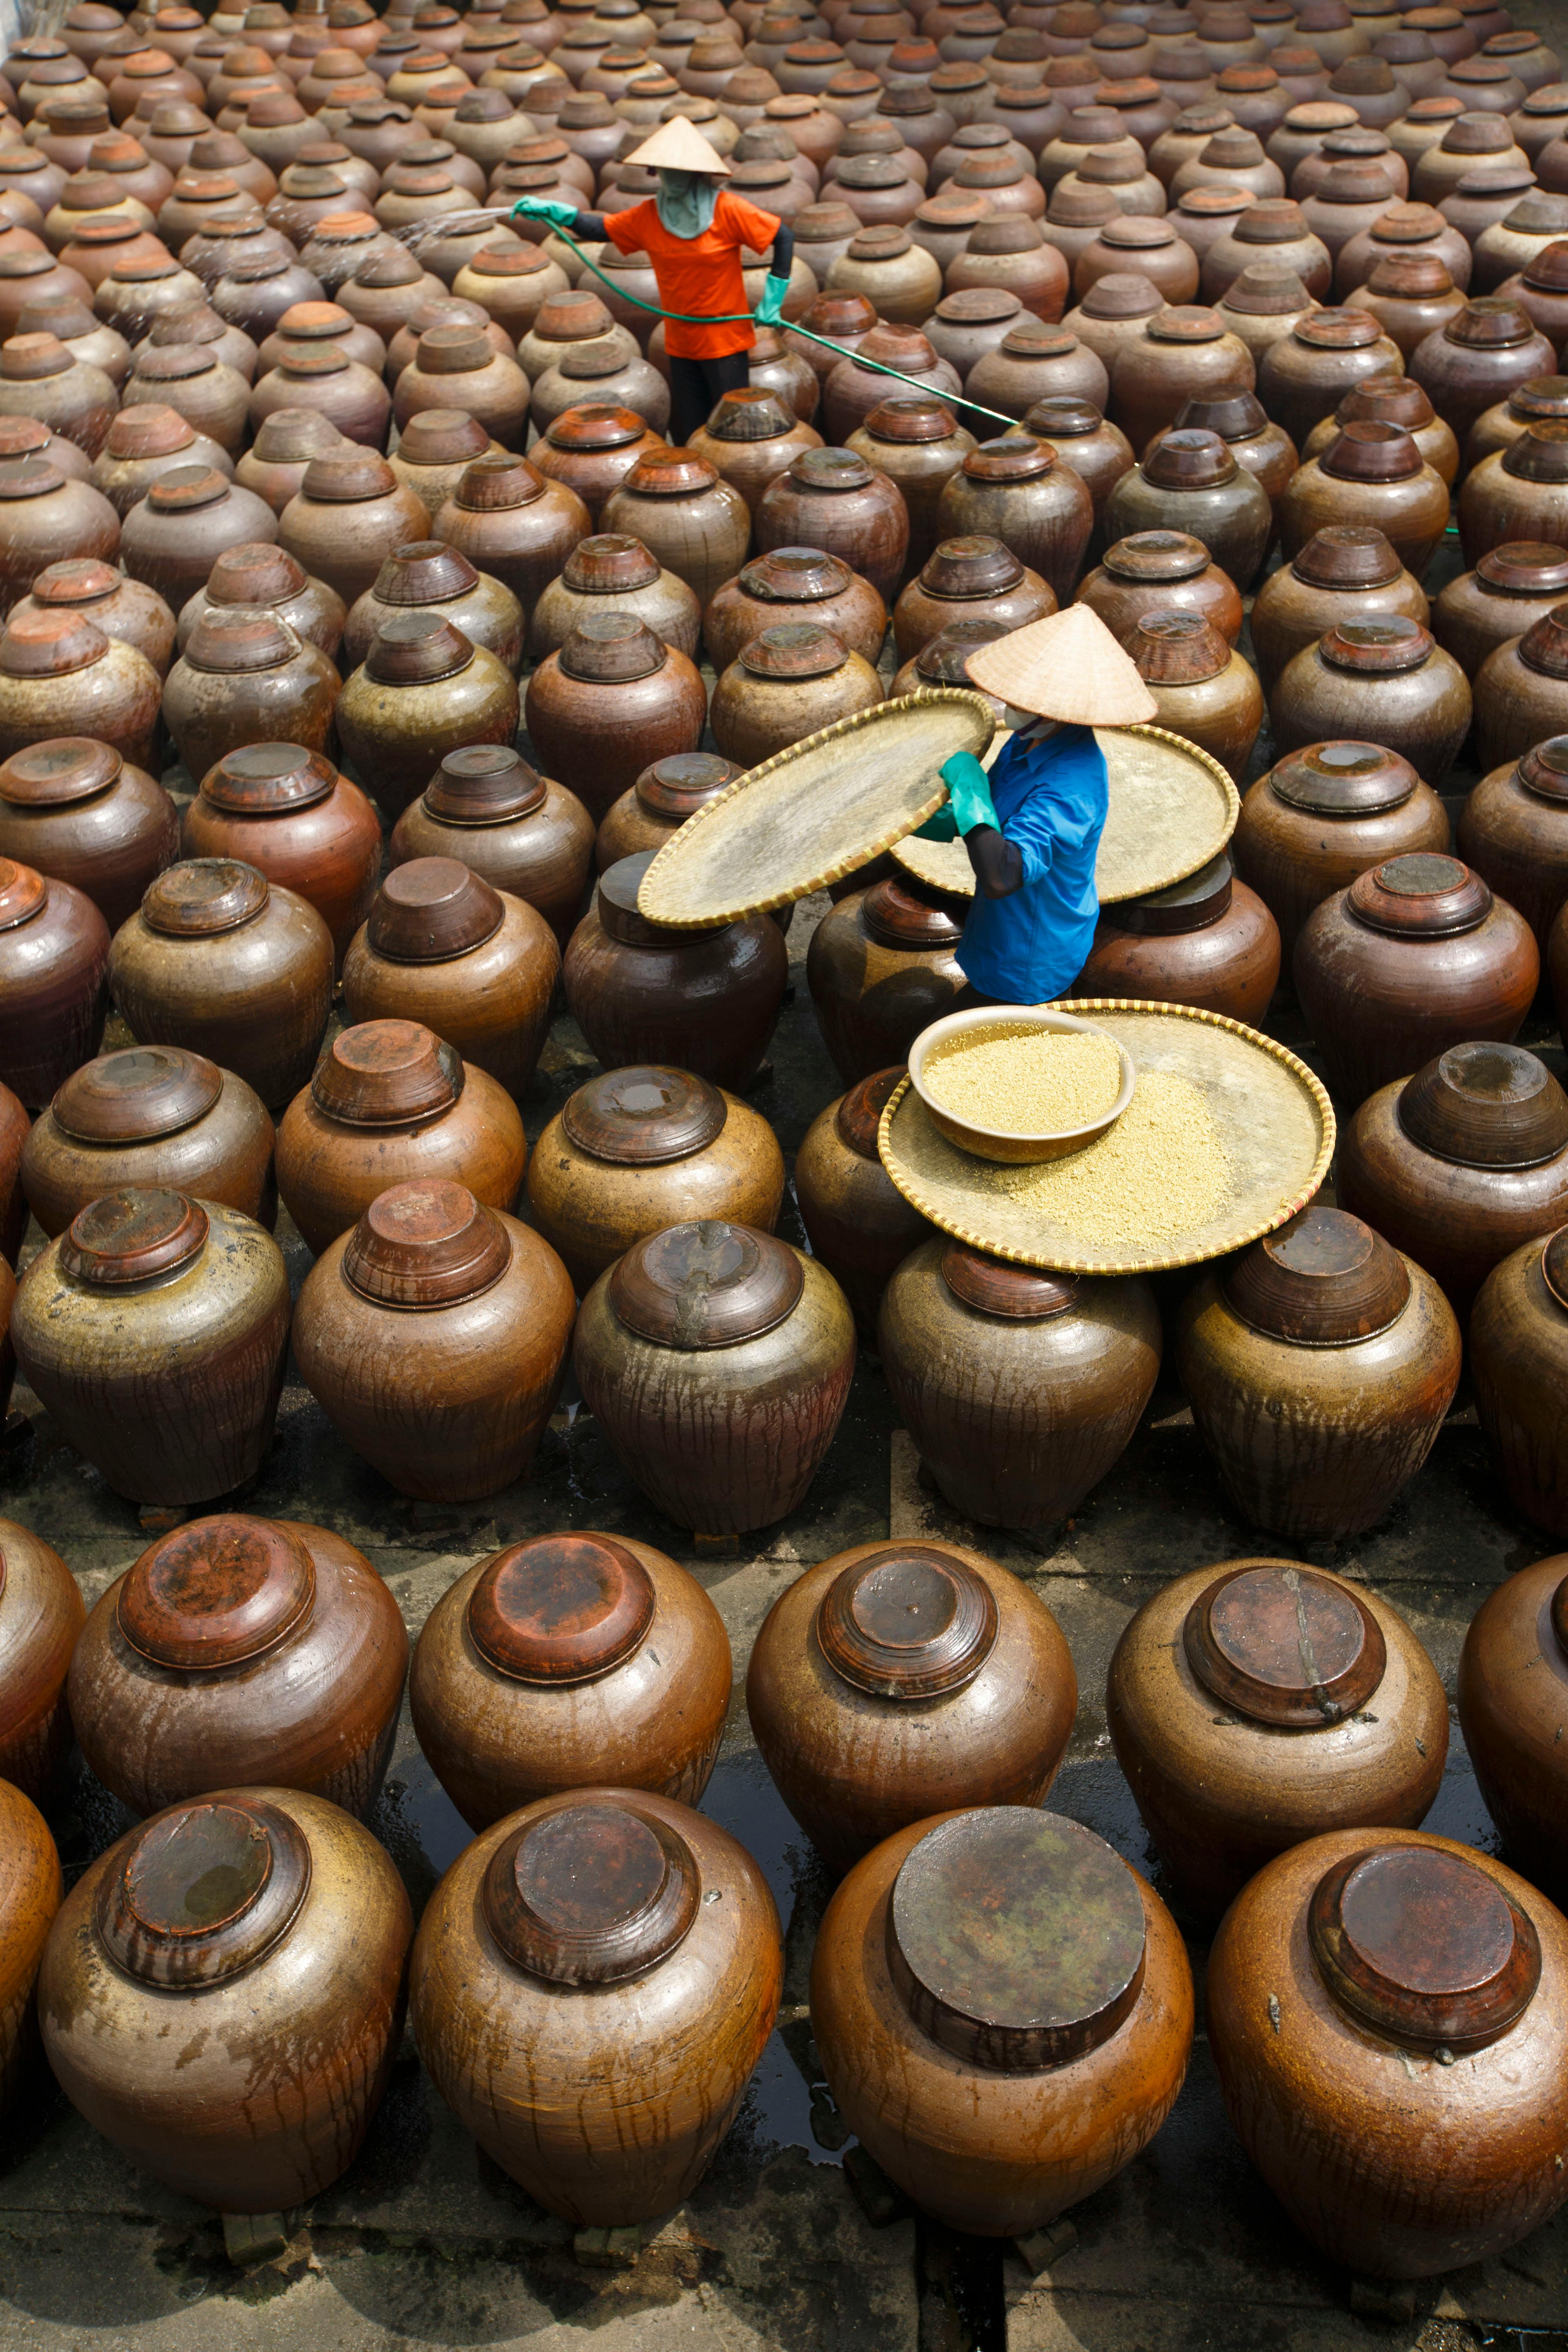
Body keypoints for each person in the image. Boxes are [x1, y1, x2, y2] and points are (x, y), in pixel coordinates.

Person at [916, 604, 1158, 1006]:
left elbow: (1002, 874)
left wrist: (970, 792)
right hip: (1000, 929)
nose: (1012, 704)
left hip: (1031, 951)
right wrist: (927, 819)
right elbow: (992, 815)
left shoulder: (1069, 787)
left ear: (1061, 711)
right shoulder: (1029, 739)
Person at [508, 115, 794, 446]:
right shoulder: (651, 215)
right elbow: (602, 230)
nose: (669, 178)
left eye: (677, 171)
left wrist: (773, 299)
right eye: (664, 170)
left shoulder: (727, 209)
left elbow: (782, 236)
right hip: (680, 338)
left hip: (725, 338)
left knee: (732, 427)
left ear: (694, 173)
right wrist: (559, 212)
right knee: (689, 429)